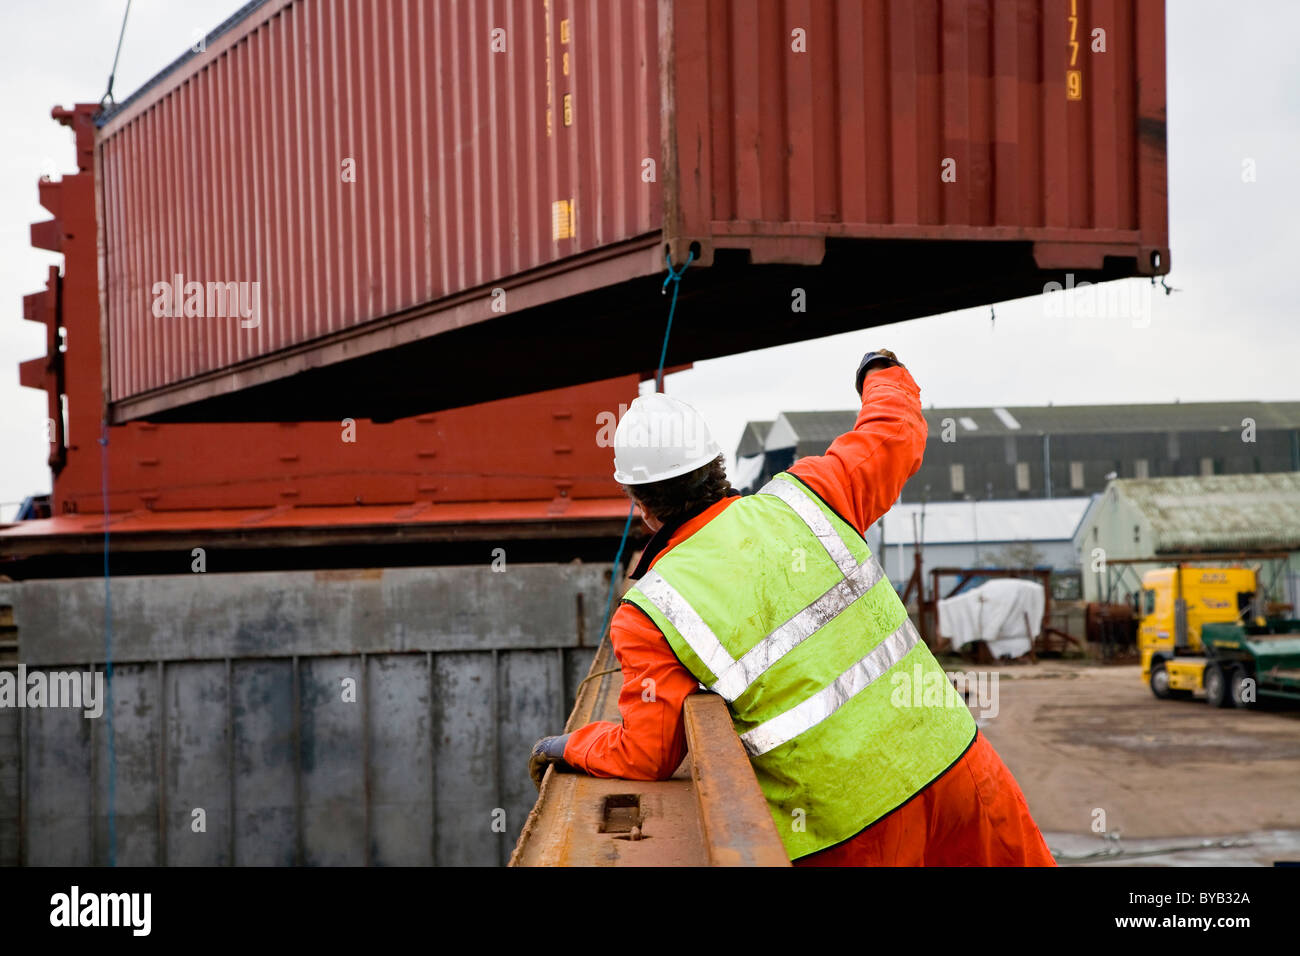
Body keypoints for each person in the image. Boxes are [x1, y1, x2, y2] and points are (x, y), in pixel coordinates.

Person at [529, 350, 1056, 866]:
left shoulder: (649, 610)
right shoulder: (810, 495)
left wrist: (570, 746)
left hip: (847, 825)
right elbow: (894, 431)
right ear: (717, 465)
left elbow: (647, 752)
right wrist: (881, 371)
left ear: (640, 505)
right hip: (956, 771)